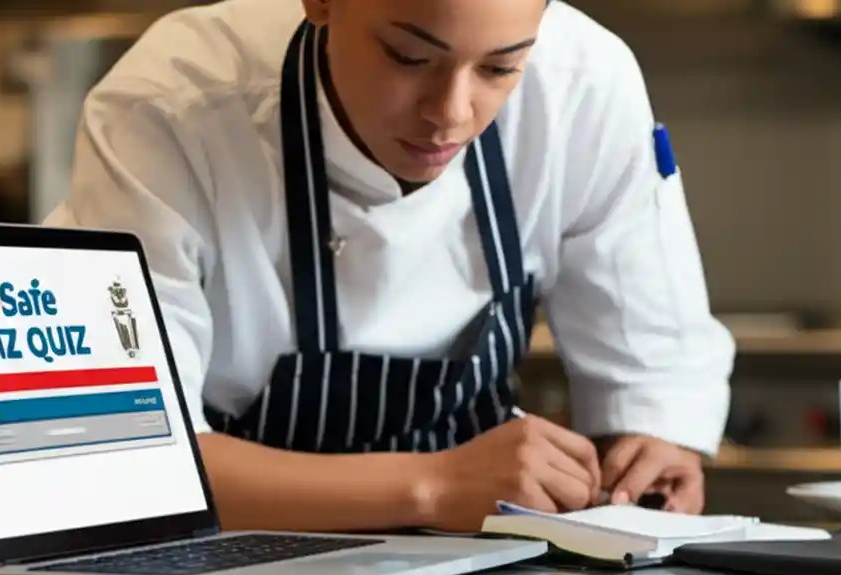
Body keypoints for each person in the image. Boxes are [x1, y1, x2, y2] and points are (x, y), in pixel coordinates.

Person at [45, 0, 735, 532]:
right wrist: (436, 486)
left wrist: (652, 453)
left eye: (500, 69)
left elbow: (652, 379)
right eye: (409, 56)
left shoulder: (584, 87)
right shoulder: (174, 106)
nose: (451, 114)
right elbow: (124, 454)